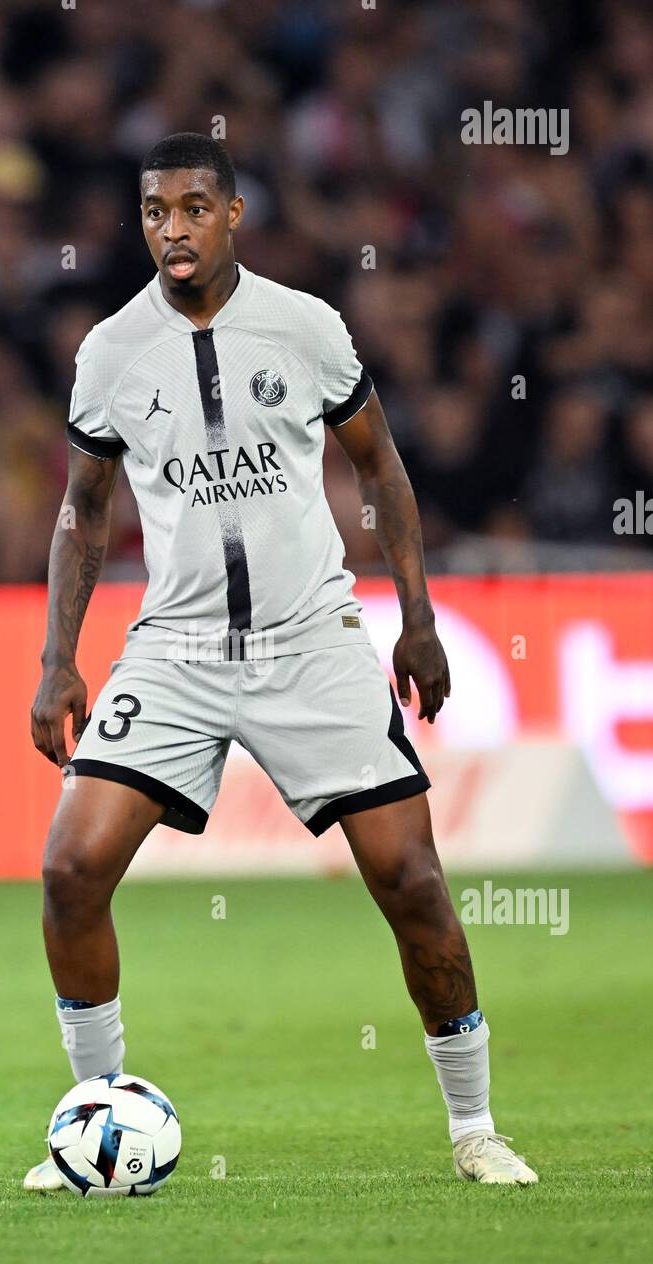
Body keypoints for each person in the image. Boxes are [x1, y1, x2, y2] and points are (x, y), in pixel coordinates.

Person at [27, 132, 537, 1190]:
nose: (172, 227)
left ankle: (474, 1126)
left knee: (409, 877)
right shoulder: (111, 352)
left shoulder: (305, 326)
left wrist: (417, 616)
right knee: (70, 870)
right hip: (175, 649)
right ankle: (95, 1118)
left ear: (232, 215)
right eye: (154, 211)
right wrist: (57, 660)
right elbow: (81, 513)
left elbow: (379, 465)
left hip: (312, 639)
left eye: (192, 207)